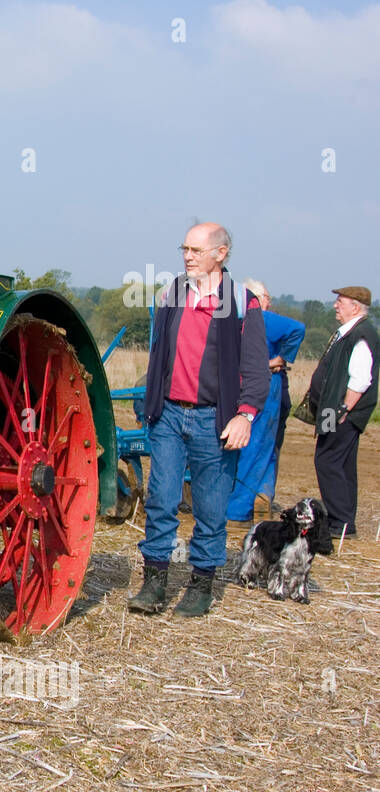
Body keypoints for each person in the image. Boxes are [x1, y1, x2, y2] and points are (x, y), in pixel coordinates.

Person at [128, 223, 267, 617]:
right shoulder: (172, 294)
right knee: (161, 500)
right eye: (184, 248)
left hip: (214, 420)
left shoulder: (242, 302)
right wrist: (152, 403)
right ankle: (154, 584)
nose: (187, 256)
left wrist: (245, 415)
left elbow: (257, 370)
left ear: (220, 254)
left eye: (195, 249)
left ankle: (200, 585)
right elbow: (161, 353)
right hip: (169, 415)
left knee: (209, 507)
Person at [226, 281, 304, 522]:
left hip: (262, 384)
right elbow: (297, 329)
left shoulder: (258, 318)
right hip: (267, 385)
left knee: (254, 445)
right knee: (263, 447)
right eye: (266, 297)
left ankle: (245, 505)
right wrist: (276, 359)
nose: (269, 302)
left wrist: (279, 358)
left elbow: (297, 329)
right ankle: (253, 502)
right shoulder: (259, 317)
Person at [308, 286, 378, 539]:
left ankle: (339, 522)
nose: (336, 305)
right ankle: (344, 521)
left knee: (327, 460)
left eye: (341, 302)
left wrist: (344, 409)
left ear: (355, 307)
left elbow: (361, 379)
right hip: (333, 409)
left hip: (338, 411)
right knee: (342, 463)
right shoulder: (350, 333)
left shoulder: (359, 335)